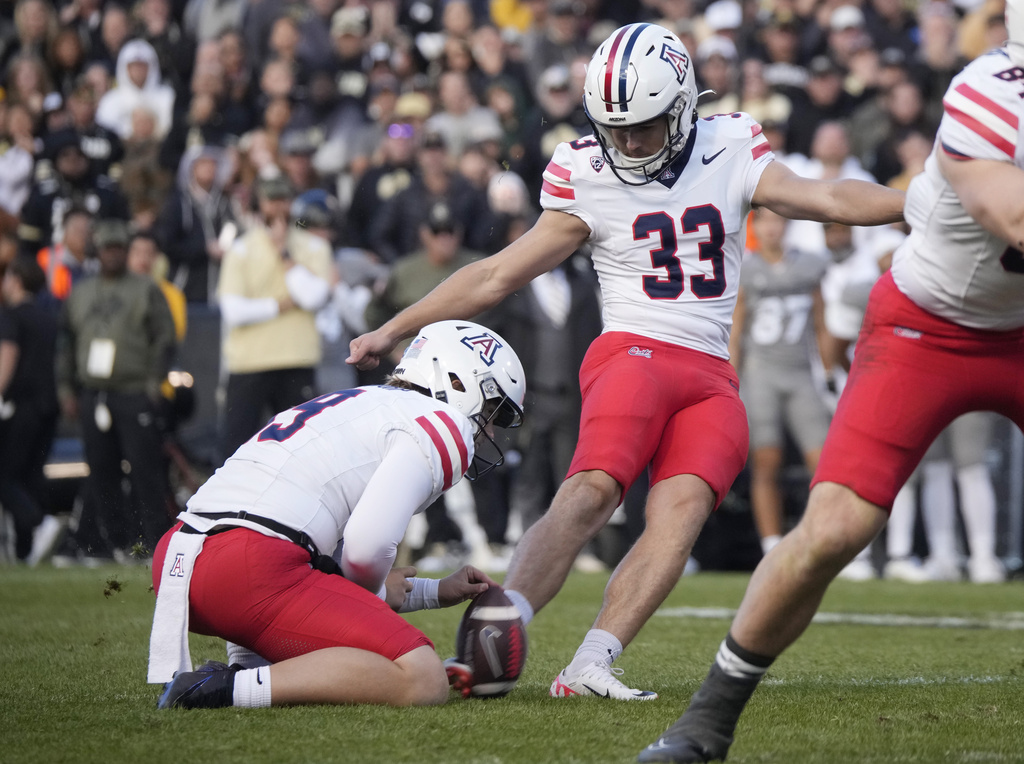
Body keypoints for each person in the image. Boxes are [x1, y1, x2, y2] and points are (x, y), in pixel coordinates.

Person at [349, 22, 904, 702]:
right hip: (633, 350)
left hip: (710, 372)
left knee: (680, 516)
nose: (629, 143)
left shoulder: (731, 143)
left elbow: (828, 199)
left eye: (642, 126)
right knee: (595, 487)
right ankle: (500, 623)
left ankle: (592, 661)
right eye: (616, 128)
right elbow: (496, 275)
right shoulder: (584, 170)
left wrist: (918, 205)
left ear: (680, 106)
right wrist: (396, 327)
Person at [635, 5, 1024, 760]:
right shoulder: (992, 87)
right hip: (929, 328)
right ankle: (708, 719)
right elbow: (1009, 214)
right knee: (834, 530)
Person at [149, 319, 526, 709]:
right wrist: (378, 592)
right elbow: (365, 550)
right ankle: (220, 689)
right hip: (249, 567)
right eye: (492, 412)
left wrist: (431, 592)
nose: (489, 434)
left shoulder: (363, 402)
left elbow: (327, 564)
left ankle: (247, 670)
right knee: (423, 678)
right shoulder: (443, 423)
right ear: (458, 381)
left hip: (179, 559)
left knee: (337, 655)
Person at [54, 219, 177, 563]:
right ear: (97, 252)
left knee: (145, 472)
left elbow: (165, 337)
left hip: (133, 390)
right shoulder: (81, 292)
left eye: (118, 248)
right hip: (93, 392)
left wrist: (154, 382)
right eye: (107, 248)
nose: (112, 254)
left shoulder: (145, 289)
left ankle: (156, 544)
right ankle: (113, 544)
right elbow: (66, 342)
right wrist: (66, 388)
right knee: (101, 472)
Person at [728, 208, 832, 556]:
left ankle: (822, 538)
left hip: (801, 372)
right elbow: (737, 328)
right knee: (767, 463)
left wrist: (829, 373)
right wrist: (730, 376)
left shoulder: (810, 264)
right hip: (761, 374)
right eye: (764, 222)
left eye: (777, 221)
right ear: (756, 226)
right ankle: (771, 544)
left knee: (824, 463)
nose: (771, 228)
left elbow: (821, 323)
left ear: (786, 226)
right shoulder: (746, 267)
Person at [216, 172, 333, 462]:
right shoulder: (241, 249)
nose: (278, 208)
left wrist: (284, 254)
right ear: (259, 204)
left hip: (297, 359)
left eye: (284, 200)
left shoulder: (314, 246)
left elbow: (313, 298)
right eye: (272, 200)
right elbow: (233, 311)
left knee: (304, 449)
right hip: (249, 363)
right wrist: (279, 306)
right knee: (236, 448)